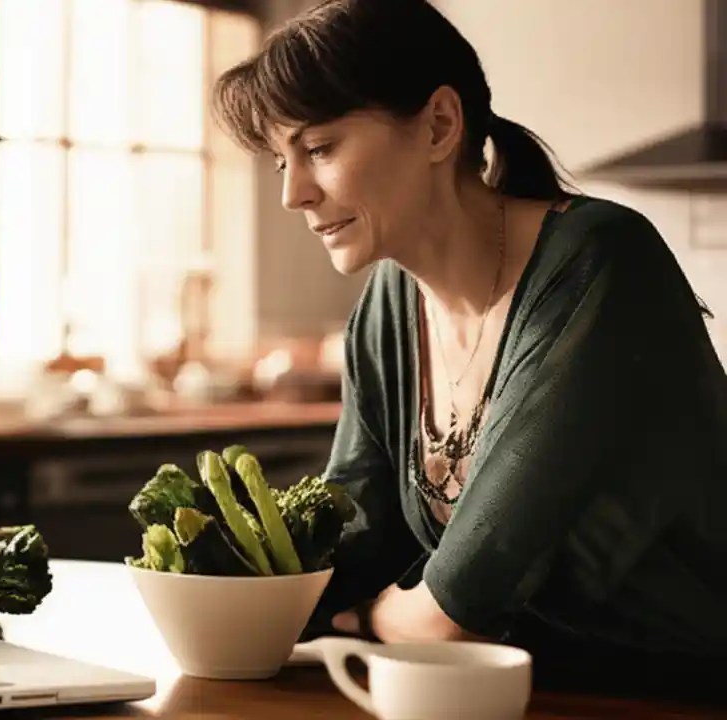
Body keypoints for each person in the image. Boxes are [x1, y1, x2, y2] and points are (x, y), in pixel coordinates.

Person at [213, 0, 727, 697]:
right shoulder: (388, 308)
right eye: (281, 160)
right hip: (514, 698)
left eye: (320, 148)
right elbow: (354, 530)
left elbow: (464, 599)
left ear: (439, 126)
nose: (293, 194)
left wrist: (366, 616)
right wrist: (221, 585)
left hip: (675, 699)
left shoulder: (600, 262)